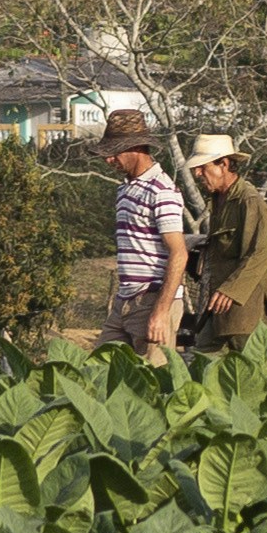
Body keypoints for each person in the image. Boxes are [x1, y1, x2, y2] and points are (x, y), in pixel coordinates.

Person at [185, 128, 267, 358]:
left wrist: (231, 291)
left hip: (249, 311)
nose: (198, 173)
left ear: (223, 164)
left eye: (204, 167)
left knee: (256, 374)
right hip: (219, 308)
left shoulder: (249, 202)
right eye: (196, 168)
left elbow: (260, 253)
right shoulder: (219, 200)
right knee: (202, 362)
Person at [100, 109, 191, 357]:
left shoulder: (161, 190)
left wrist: (161, 312)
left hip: (152, 300)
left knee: (152, 385)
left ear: (137, 148)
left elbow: (179, 253)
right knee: (97, 372)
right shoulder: (125, 190)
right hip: (124, 300)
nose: (109, 160)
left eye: (115, 152)